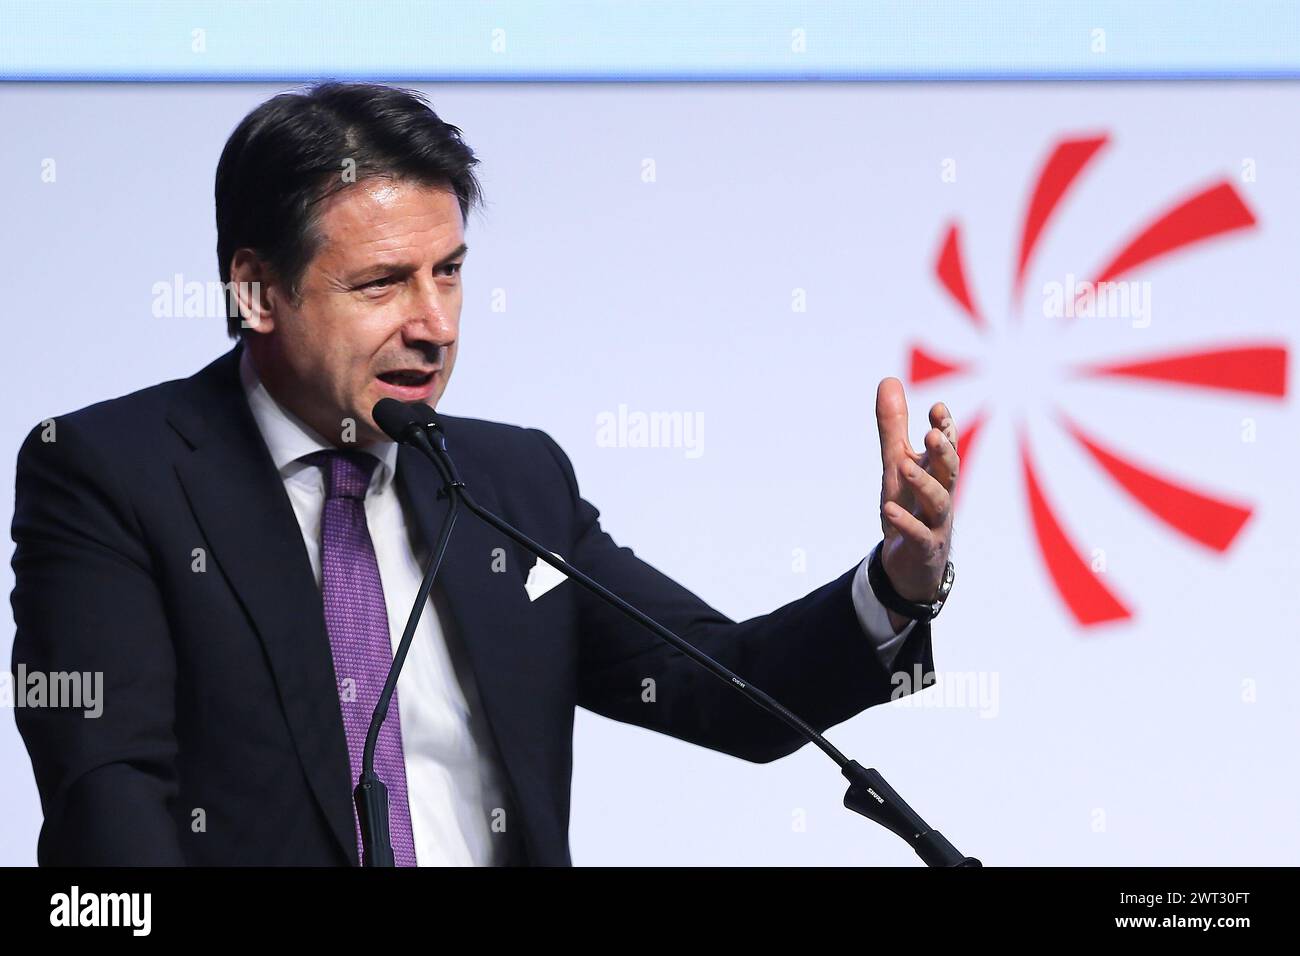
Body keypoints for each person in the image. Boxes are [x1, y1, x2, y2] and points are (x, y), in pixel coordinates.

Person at [10, 82, 960, 866]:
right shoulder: (110, 475)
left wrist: (897, 590)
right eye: (382, 283)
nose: (436, 324)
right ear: (256, 289)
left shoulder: (512, 480)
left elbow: (730, 691)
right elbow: (109, 809)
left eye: (450, 272)